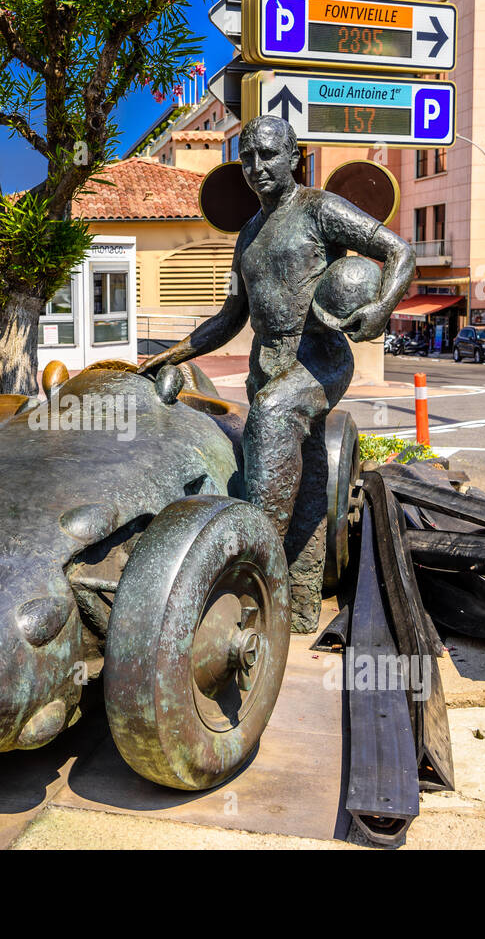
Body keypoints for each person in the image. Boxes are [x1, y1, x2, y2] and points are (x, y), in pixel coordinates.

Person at [138, 115, 414, 630]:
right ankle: (302, 603)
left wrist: (381, 308)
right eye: (247, 158)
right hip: (267, 365)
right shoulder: (248, 235)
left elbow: (400, 252)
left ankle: (248, 582)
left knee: (269, 416)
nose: (257, 167)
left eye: (268, 155)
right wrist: (171, 355)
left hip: (319, 360)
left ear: (293, 158)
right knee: (306, 473)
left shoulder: (319, 209)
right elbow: (228, 319)